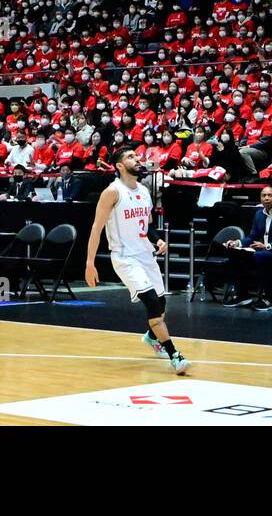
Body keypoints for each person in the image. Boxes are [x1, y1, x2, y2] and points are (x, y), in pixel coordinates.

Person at [84, 144, 189, 375]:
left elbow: (147, 225)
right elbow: (96, 228)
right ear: (120, 166)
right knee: (152, 302)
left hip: (146, 256)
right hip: (125, 258)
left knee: (161, 305)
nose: (138, 159)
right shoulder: (112, 192)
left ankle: (152, 337)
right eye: (131, 157)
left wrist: (157, 241)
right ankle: (175, 355)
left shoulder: (143, 190)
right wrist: (90, 263)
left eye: (136, 155)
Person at [223, 184, 272, 310]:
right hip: (261, 251)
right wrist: (237, 243)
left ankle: (269, 298)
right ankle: (243, 295)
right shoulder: (258, 214)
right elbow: (252, 237)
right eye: (264, 195)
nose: (266, 198)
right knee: (236, 253)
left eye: (270, 195)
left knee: (261, 256)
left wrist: (267, 246)